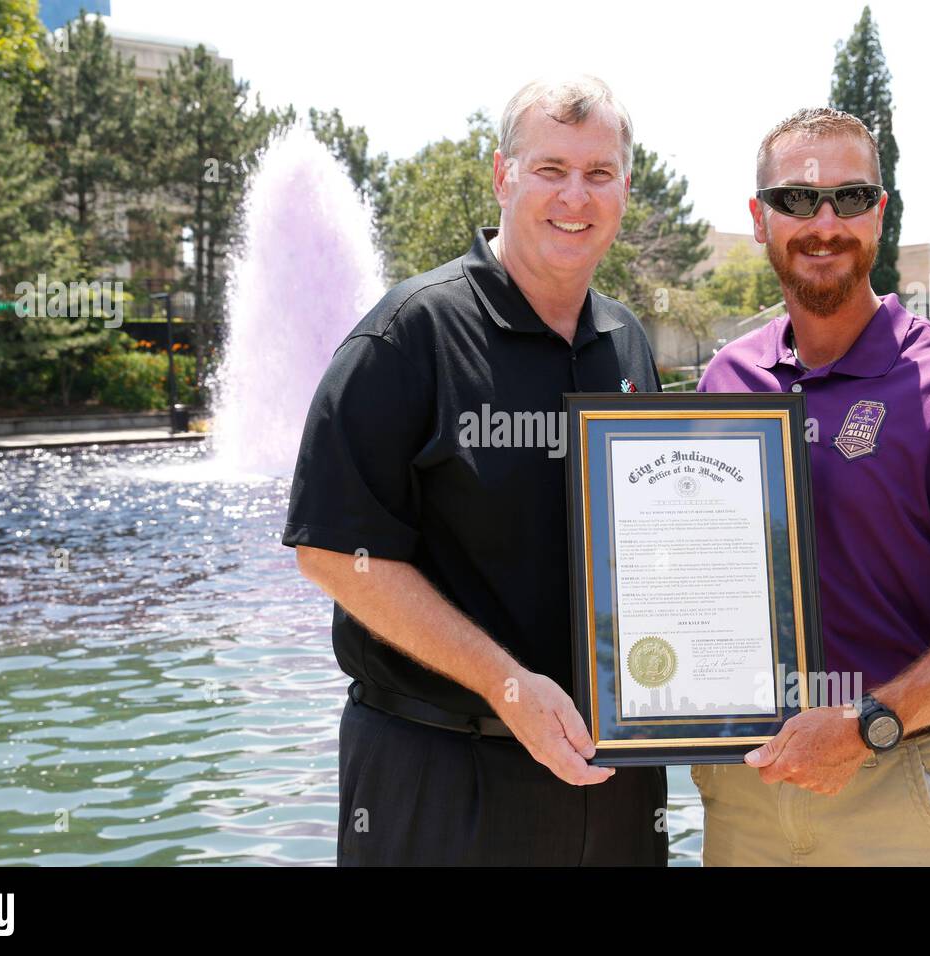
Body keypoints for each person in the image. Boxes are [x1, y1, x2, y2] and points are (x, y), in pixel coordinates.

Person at [283, 75, 667, 865]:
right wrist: (507, 684)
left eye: (599, 174)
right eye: (550, 169)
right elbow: (331, 552)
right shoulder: (407, 336)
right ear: (502, 176)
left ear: (625, 187)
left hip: (615, 774)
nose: (576, 196)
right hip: (441, 776)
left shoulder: (625, 342)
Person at [694, 107, 930, 866]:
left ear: (880, 211)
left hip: (897, 781)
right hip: (743, 790)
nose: (824, 223)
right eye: (797, 200)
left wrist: (868, 722)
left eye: (849, 197)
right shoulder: (727, 380)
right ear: (759, 219)